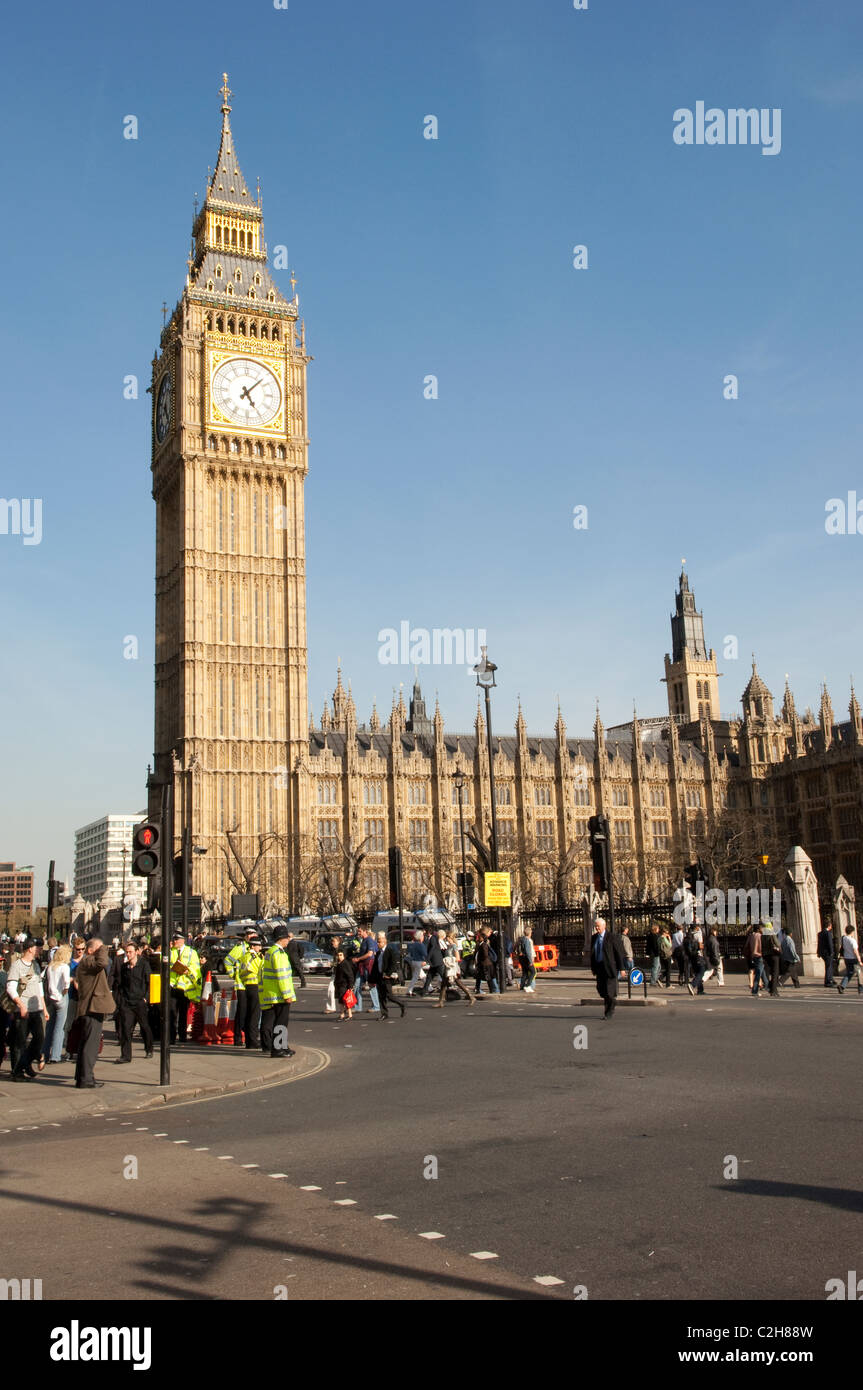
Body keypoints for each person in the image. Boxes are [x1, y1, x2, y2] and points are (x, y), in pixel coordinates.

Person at [74, 934, 116, 1089]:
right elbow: (103, 962)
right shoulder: (88, 961)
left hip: (93, 1007)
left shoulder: (87, 962)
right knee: (90, 1046)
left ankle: (82, 1076)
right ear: (91, 950)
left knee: (87, 1044)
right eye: (98, 949)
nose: (101, 951)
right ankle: (86, 1079)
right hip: (91, 1008)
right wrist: (104, 947)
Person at [6, 938, 49, 1082]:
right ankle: (17, 1072)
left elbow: (39, 988)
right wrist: (20, 1005)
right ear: (30, 948)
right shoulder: (16, 966)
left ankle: (25, 1063)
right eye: (38, 947)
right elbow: (11, 988)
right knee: (20, 1042)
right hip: (22, 1010)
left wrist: (44, 1007)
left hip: (36, 1008)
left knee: (39, 1038)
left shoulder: (36, 965)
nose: (40, 950)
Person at [259, 924, 296, 1056]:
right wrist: (287, 994)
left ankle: (283, 1046)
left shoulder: (271, 952)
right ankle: (278, 1048)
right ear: (282, 939)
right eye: (287, 938)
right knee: (281, 1022)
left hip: (273, 993)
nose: (288, 940)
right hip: (280, 994)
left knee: (280, 1021)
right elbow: (282, 976)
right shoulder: (278, 953)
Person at [114, 939, 154, 1061]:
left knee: (145, 1027)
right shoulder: (124, 967)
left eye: (131, 952)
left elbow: (150, 983)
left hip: (139, 1002)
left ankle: (149, 1049)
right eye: (127, 952)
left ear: (137, 952)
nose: (128, 954)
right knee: (126, 1028)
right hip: (127, 1002)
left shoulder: (144, 965)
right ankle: (125, 1056)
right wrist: (120, 1000)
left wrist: (145, 999)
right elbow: (120, 984)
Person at [224, 926, 257, 1046]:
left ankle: (249, 1037)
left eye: (252, 934)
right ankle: (237, 1037)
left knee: (251, 1013)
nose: (250, 936)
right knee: (241, 1012)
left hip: (252, 984)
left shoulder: (255, 947)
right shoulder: (240, 948)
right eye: (248, 934)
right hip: (242, 985)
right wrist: (233, 975)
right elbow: (228, 961)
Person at [590, 917, 627, 1019]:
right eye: (596, 926)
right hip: (599, 967)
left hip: (610, 967)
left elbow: (619, 953)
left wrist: (622, 968)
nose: (597, 928)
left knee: (609, 992)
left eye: (599, 926)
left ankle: (608, 1012)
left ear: (604, 926)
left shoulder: (612, 937)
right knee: (601, 990)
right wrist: (593, 967)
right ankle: (611, 1002)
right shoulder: (594, 938)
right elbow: (593, 954)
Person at [168, 930, 202, 1044]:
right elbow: (165, 964)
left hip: (185, 988)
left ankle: (182, 1036)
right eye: (174, 940)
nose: (174, 941)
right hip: (172, 987)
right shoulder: (170, 952)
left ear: (183, 940)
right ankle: (171, 1037)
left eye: (176, 939)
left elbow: (196, 969)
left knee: (183, 1014)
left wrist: (187, 971)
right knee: (172, 1013)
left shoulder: (192, 952)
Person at [43, 943, 72, 1064]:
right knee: (59, 1028)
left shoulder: (50, 966)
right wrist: (65, 991)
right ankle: (55, 1055)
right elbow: (66, 982)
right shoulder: (64, 966)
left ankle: (44, 1053)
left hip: (50, 998)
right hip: (61, 998)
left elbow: (42, 977)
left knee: (49, 1026)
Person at [433, 931, 474, 1008]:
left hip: (452, 967)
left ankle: (471, 997)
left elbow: (458, 958)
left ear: (450, 938)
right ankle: (440, 1002)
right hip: (449, 967)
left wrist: (448, 960)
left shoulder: (454, 946)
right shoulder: (449, 946)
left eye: (447, 937)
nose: (446, 939)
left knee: (457, 983)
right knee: (444, 984)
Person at [370, 932, 405, 1020]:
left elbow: (393, 964)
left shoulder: (390, 951)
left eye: (379, 942)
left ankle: (402, 1004)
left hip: (387, 977)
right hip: (379, 976)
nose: (378, 944)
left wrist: (388, 974)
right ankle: (384, 1014)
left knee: (389, 995)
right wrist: (371, 978)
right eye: (377, 942)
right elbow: (375, 966)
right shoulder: (378, 953)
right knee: (381, 996)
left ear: (384, 942)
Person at [238, 934, 264, 1048]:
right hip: (255, 986)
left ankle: (248, 1041)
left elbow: (241, 973)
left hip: (247, 986)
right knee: (255, 1015)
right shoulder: (255, 958)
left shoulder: (244, 956)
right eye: (258, 946)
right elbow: (260, 970)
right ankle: (253, 1041)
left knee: (248, 1014)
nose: (260, 948)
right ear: (253, 946)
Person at [836, 926, 863, 994]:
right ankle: (861, 988)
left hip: (846, 958)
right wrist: (859, 959)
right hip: (853, 959)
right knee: (859, 974)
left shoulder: (844, 938)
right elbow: (855, 950)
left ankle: (842, 985)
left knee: (849, 973)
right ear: (852, 931)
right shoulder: (852, 940)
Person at [760, 920, 782, 997]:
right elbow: (777, 943)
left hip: (766, 955)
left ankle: (772, 988)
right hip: (774, 955)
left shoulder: (762, 935)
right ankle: (773, 990)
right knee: (775, 972)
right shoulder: (771, 933)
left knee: (770, 972)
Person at [333, 949, 356, 1020]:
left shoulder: (345, 963)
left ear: (344, 955)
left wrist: (351, 986)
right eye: (338, 955)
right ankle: (342, 1014)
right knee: (340, 1000)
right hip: (339, 984)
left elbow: (350, 975)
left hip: (344, 985)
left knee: (345, 1000)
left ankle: (350, 1015)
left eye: (341, 955)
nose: (339, 957)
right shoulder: (339, 963)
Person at [423, 929, 446, 997]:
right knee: (430, 976)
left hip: (436, 960)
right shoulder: (435, 938)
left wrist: (428, 957)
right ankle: (424, 990)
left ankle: (448, 988)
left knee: (441, 975)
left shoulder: (433, 938)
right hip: (436, 960)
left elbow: (432, 948)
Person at [744, 924, 765, 997]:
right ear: (759, 929)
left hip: (753, 956)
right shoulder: (760, 936)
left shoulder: (751, 936)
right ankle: (755, 990)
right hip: (759, 955)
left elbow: (746, 945)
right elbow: (762, 946)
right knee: (759, 974)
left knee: (762, 974)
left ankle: (769, 987)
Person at [405, 930, 428, 996]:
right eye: (423, 936)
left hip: (413, 961)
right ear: (420, 937)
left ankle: (429, 988)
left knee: (422, 975)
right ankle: (409, 990)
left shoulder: (413, 944)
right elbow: (425, 953)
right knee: (415, 977)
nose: (423, 937)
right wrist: (426, 960)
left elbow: (410, 954)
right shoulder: (421, 945)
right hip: (419, 961)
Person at [473, 928, 495, 997]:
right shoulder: (480, 944)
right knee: (479, 977)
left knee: (487, 977)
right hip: (482, 964)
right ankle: (478, 989)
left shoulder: (484, 945)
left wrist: (481, 959)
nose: (478, 938)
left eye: (479, 937)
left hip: (485, 964)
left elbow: (485, 954)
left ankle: (491, 990)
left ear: (482, 938)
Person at [324, 935, 341, 1013]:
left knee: (339, 990)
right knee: (331, 989)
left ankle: (349, 1007)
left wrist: (331, 964)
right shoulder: (335, 951)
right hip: (336, 972)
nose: (332, 943)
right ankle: (331, 1007)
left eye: (334, 941)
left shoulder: (339, 951)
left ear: (338, 942)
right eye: (332, 941)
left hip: (339, 973)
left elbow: (340, 962)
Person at [516, 926, 537, 992]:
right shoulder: (527, 940)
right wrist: (530, 961)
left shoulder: (521, 939)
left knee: (524, 973)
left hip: (521, 958)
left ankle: (522, 986)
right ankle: (527, 986)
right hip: (526, 958)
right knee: (533, 972)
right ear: (529, 933)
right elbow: (528, 951)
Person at [817, 922, 835, 987]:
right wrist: (832, 952)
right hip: (828, 952)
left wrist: (818, 952)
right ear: (829, 926)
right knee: (829, 966)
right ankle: (828, 981)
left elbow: (819, 944)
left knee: (828, 965)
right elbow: (830, 943)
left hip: (822, 952)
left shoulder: (820, 933)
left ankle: (831, 979)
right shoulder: (828, 933)